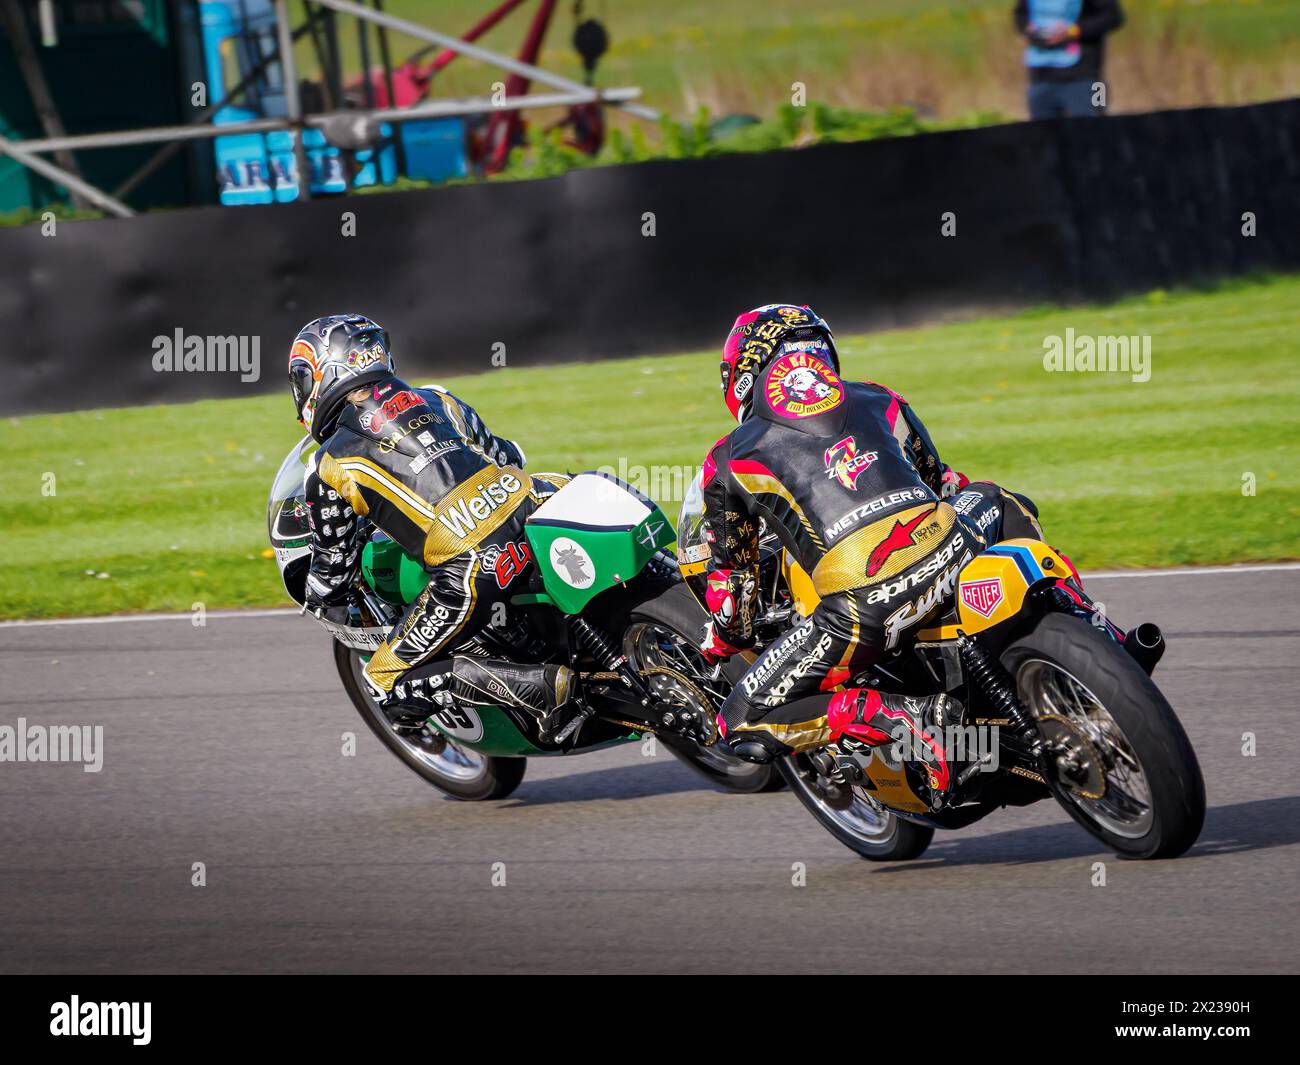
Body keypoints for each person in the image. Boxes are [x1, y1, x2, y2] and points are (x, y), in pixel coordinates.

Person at [697, 305, 1045, 794]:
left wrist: (727, 639)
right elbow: (942, 482)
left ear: (743, 374)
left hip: (865, 607)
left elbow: (734, 589)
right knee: (995, 496)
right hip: (954, 543)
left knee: (736, 723)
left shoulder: (728, 457)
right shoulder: (879, 397)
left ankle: (895, 716)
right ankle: (1081, 616)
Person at [287, 314, 578, 734]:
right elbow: (507, 455)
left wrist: (314, 595)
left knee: (383, 683)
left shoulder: (329, 462)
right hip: (536, 502)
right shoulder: (439, 398)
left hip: (474, 565)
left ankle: (539, 686)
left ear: (321, 374)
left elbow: (334, 568)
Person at [1014, 0, 1124, 119]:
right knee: (1042, 135)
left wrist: (1073, 31)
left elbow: (1113, 17)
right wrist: (1028, 29)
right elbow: (1020, 14)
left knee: (1095, 130)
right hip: (1040, 78)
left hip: (1089, 79)